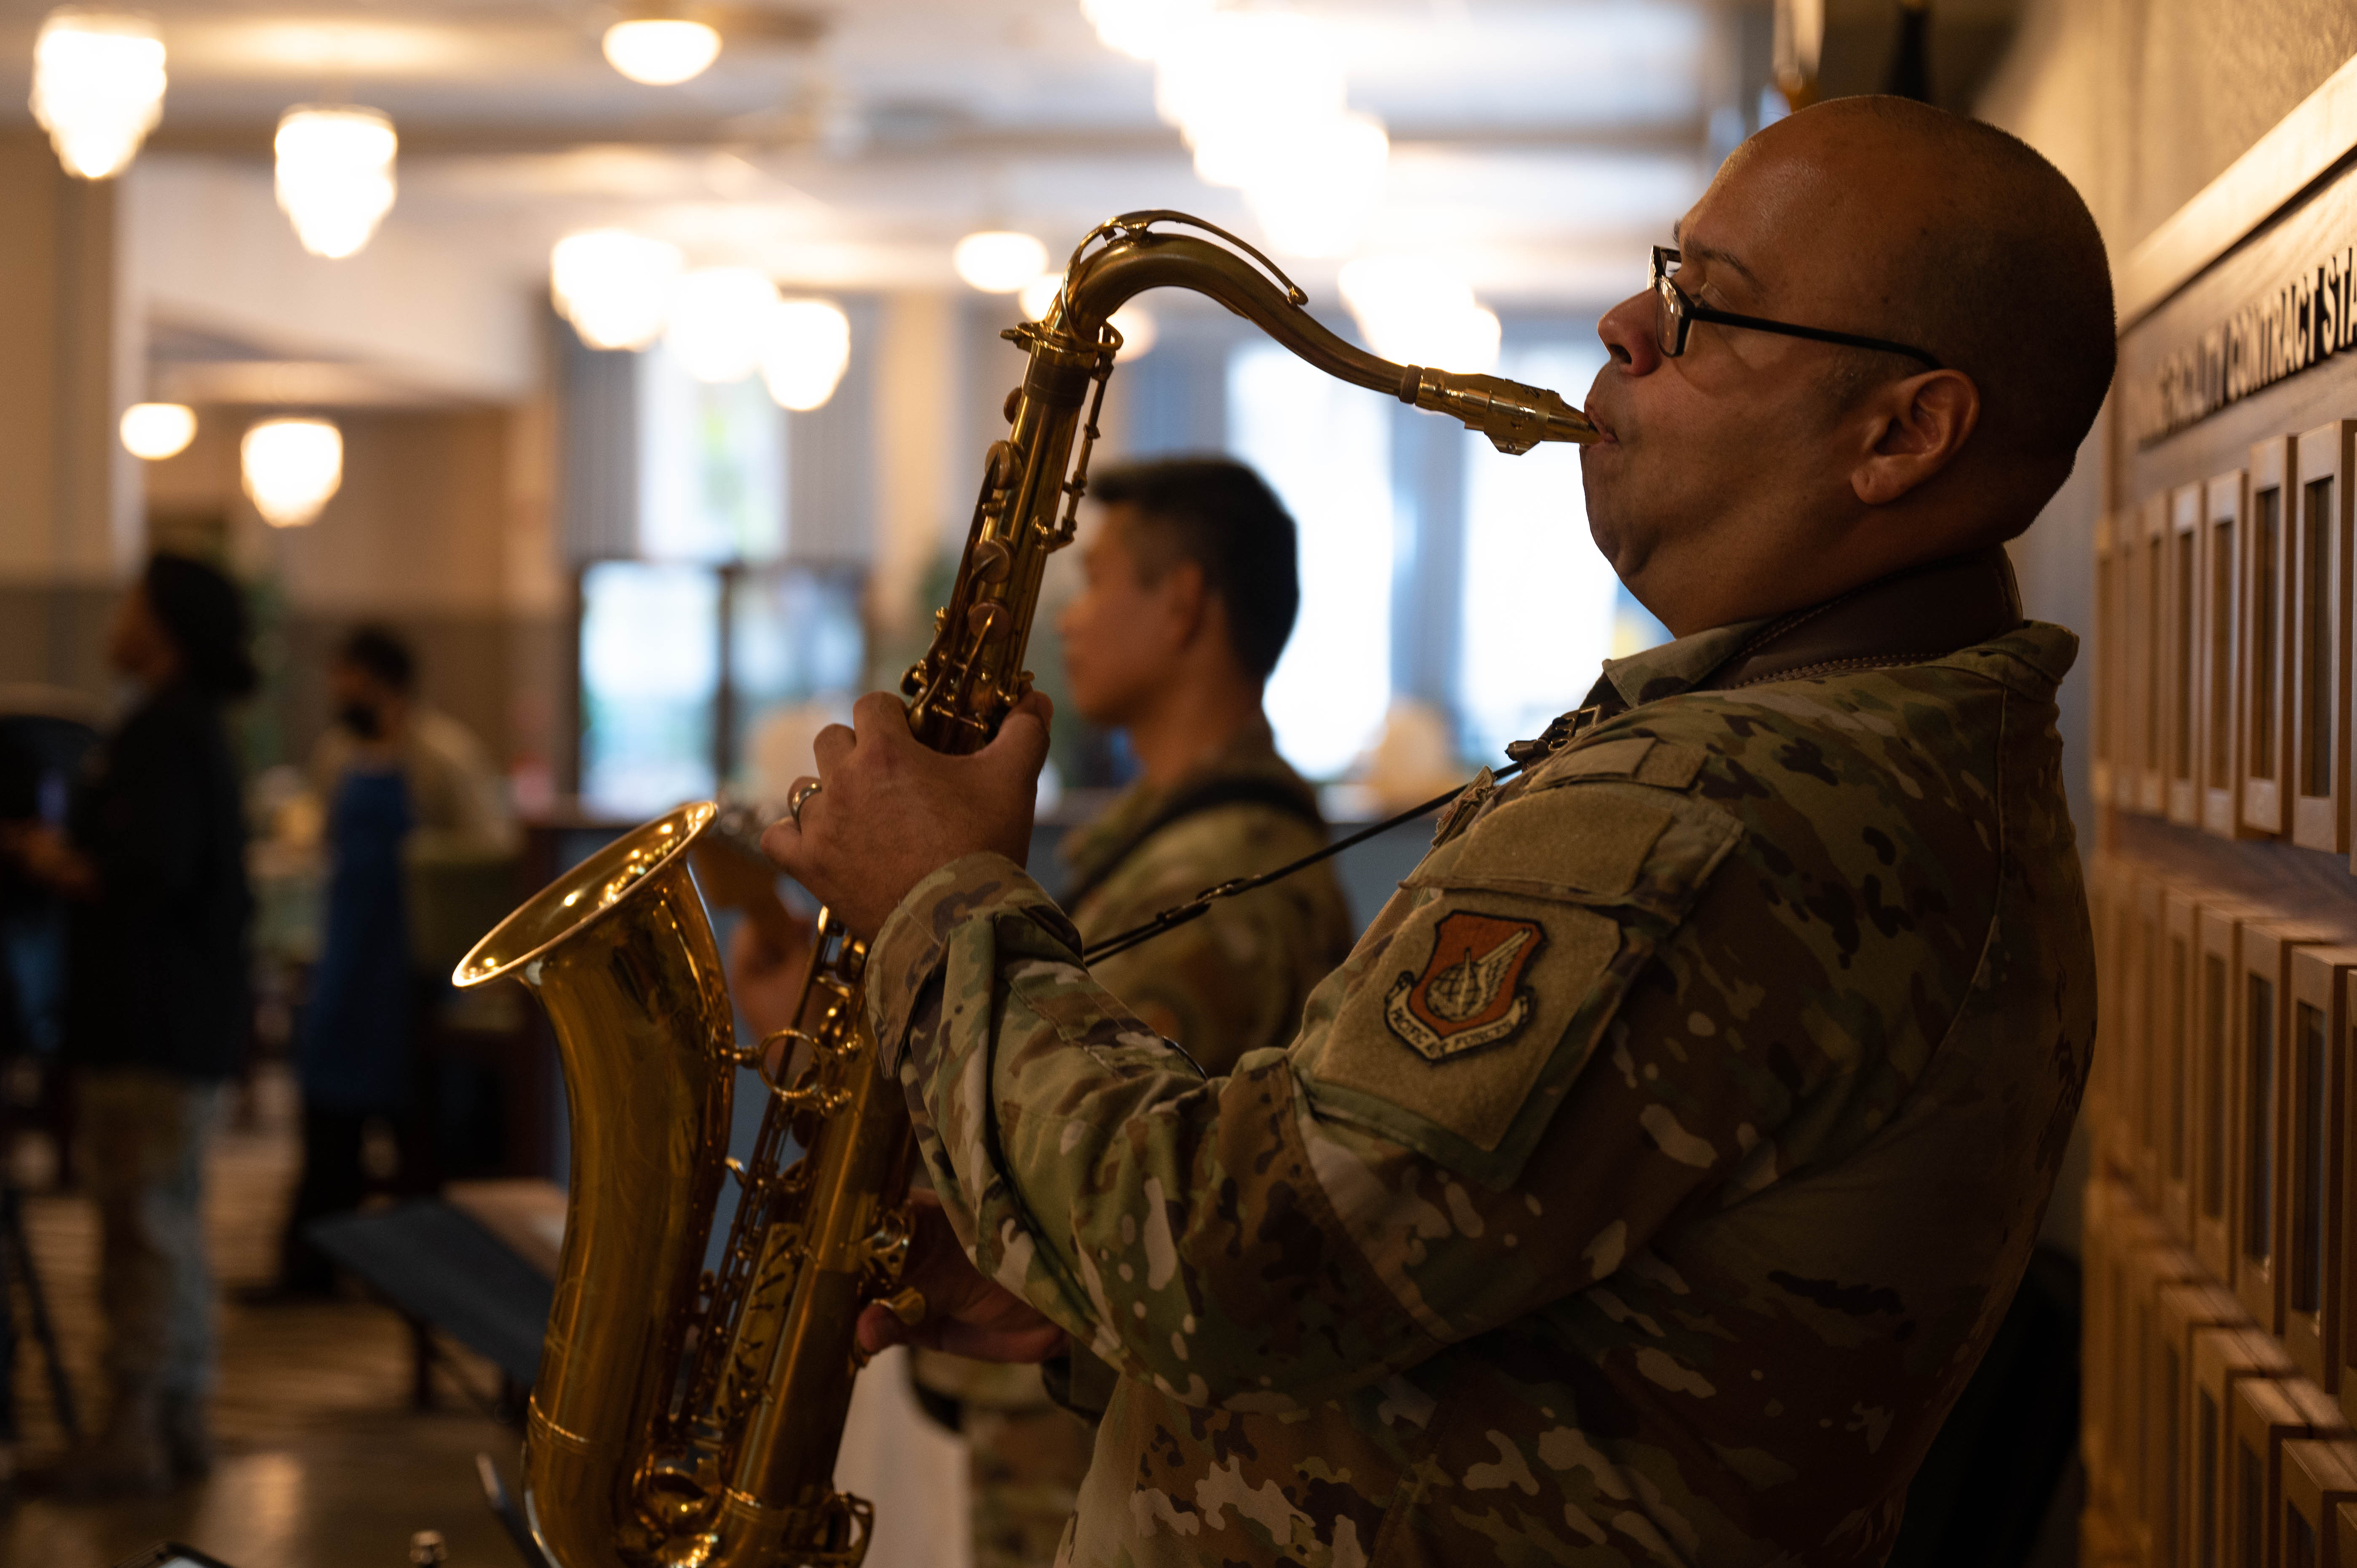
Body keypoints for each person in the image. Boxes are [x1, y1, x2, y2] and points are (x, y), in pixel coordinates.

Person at [766, 93, 2109, 1565]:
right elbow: (1510, 1321)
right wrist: (1074, 1296)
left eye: (1702, 307)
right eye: (1658, 277)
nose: (1623, 326)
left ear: (1902, 432)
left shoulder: (1721, 815)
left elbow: (1231, 1267)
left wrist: (940, 902)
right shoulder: (1875, 754)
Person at [732, 458, 1358, 1567]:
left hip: (1101, 1457)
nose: (1067, 617)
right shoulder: (1173, 835)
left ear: (1183, 602)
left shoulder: (1221, 867)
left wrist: (824, 1047)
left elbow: (1076, 1160)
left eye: (1100, 578)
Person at [7, 553, 256, 1497]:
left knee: (142, 1221)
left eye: (131, 604)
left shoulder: (162, 731)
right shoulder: (188, 727)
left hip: (150, 1019)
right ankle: (178, 1419)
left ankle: (136, 1425)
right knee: (167, 1217)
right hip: (178, 1017)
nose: (116, 618)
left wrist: (49, 859)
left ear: (164, 627)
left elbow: (146, 870)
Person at [269, 625, 514, 1296]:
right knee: (326, 1106)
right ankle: (315, 1261)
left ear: (381, 682)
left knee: (417, 1120)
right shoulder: (337, 756)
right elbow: (325, 844)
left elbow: (489, 853)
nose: (336, 691)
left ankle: (413, 1273)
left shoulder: (442, 756)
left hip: (411, 967)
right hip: (348, 953)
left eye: (346, 677)